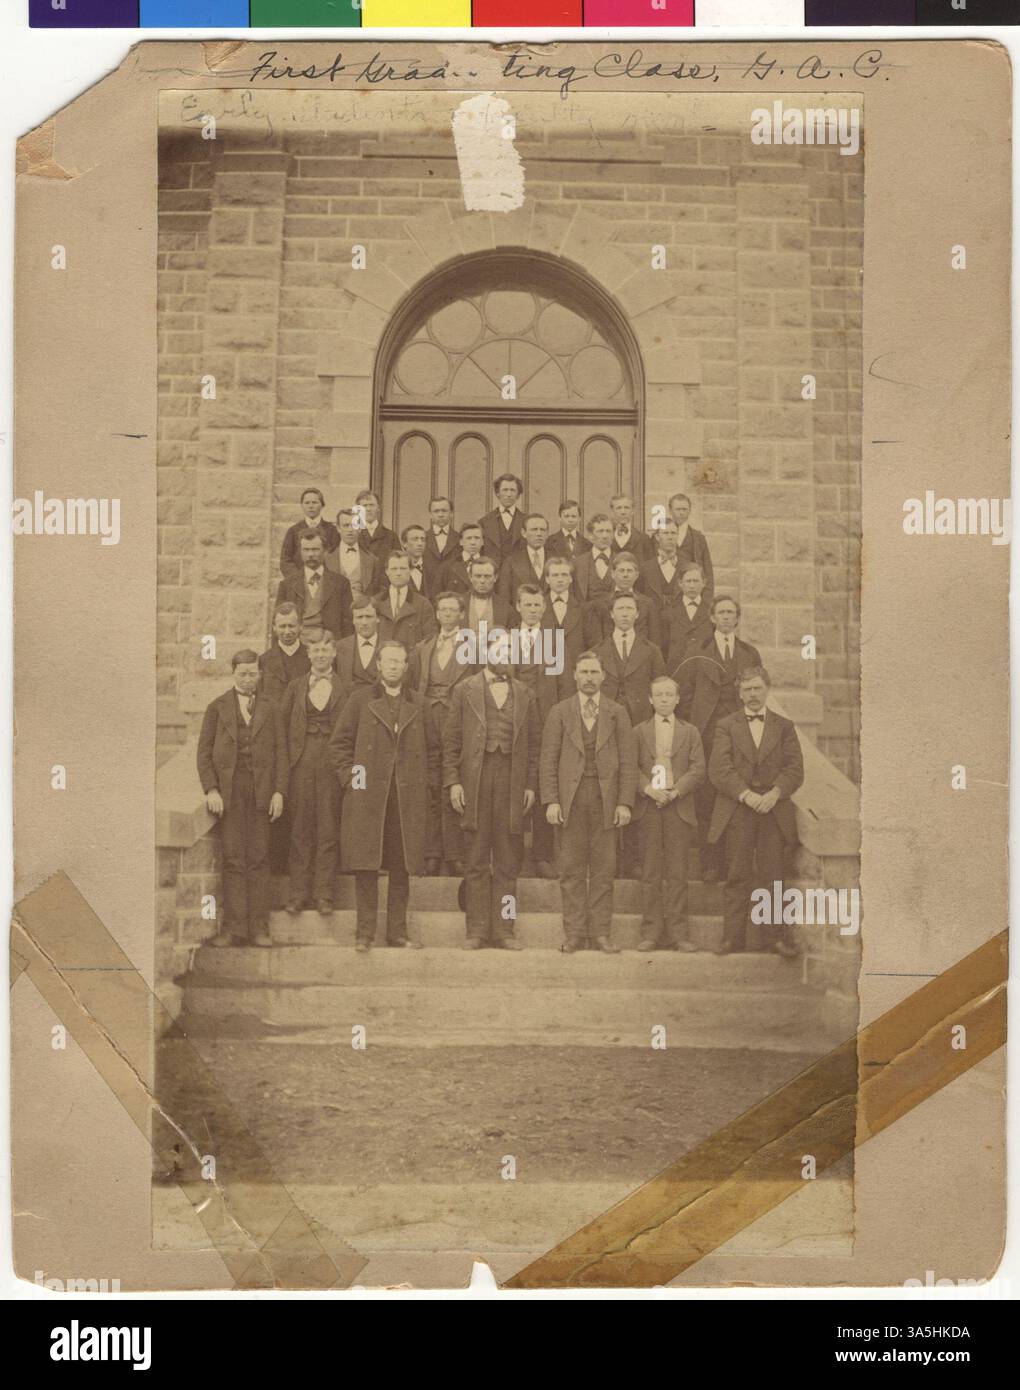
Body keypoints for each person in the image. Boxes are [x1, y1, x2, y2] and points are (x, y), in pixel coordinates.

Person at [329, 640, 439, 951]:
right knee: (366, 866)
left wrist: (424, 786)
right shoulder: (360, 700)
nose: (393, 667)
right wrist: (355, 782)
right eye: (388, 661)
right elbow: (339, 745)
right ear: (378, 665)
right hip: (369, 798)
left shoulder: (420, 704)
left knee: (401, 866)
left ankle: (397, 933)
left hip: (405, 800)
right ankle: (364, 934)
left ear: (406, 667)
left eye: (399, 662)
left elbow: (434, 753)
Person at [443, 630, 540, 950]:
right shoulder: (464, 690)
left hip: (511, 780)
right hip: (476, 778)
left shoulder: (525, 692)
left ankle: (505, 930)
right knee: (475, 858)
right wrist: (454, 781)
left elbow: (535, 745)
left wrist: (529, 784)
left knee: (508, 860)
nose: (505, 657)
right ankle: (476, 930)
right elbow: (451, 742)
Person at [540, 652, 637, 953]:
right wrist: (551, 801)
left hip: (605, 800)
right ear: (575, 675)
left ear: (604, 676)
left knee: (604, 868)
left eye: (595, 672)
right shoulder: (560, 712)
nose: (590, 678)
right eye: (584, 672)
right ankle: (574, 933)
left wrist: (624, 802)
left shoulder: (617, 712)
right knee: (570, 868)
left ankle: (600, 933)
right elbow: (548, 760)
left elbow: (629, 761)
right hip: (571, 799)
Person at [708, 666, 803, 958]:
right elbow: (719, 769)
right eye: (747, 689)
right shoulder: (726, 725)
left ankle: (775, 938)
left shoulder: (784, 726)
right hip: (739, 808)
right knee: (737, 873)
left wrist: (775, 793)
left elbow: (795, 769)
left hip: (773, 811)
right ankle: (731, 938)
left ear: (767, 690)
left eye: (757, 688)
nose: (752, 694)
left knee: (773, 874)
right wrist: (747, 795)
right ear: (739, 693)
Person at [197, 650, 286, 948]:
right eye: (243, 673)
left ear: (260, 674)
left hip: (261, 792)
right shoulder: (217, 708)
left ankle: (260, 928)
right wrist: (211, 789)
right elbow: (204, 754)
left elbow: (282, 755)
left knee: (259, 858)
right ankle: (235, 929)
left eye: (253, 673)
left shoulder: (272, 709)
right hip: (230, 793)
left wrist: (279, 792)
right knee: (234, 859)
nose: (248, 679)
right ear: (233, 674)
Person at [676, 595, 762, 882]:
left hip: (739, 734)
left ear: (737, 618)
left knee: (734, 796)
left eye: (731, 612)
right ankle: (710, 864)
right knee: (707, 798)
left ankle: (732, 863)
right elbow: (685, 694)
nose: (726, 617)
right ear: (712, 618)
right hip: (708, 733)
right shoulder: (697, 650)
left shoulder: (749, 653)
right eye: (721, 612)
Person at [631, 676, 705, 953]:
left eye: (668, 695)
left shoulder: (691, 732)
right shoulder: (638, 731)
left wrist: (675, 792)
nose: (663, 699)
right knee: (650, 871)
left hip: (678, 808)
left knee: (678, 872)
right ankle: (650, 931)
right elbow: (631, 767)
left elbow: (698, 769)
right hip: (649, 807)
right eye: (658, 695)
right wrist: (650, 790)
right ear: (650, 700)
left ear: (677, 699)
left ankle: (678, 933)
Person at [279, 630, 349, 916]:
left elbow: (351, 731)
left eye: (325, 650)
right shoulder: (295, 688)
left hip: (331, 763)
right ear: (308, 654)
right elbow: (282, 730)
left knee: (328, 828)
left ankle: (324, 894)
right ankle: (298, 893)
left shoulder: (347, 688)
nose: (320, 655)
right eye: (315, 650)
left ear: (334, 653)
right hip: (302, 760)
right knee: (300, 828)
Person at [409, 591, 472, 875]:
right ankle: (432, 851)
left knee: (455, 781)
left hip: (458, 716)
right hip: (428, 717)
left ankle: (454, 852)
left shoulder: (474, 646)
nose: (447, 615)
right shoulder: (424, 648)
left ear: (461, 614)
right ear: (436, 614)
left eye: (453, 610)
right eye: (442, 610)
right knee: (431, 782)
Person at [509, 583, 560, 877]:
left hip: (545, 719)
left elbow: (562, 683)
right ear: (518, 607)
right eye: (527, 604)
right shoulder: (506, 640)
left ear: (544, 608)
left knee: (543, 781)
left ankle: (542, 853)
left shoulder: (555, 641)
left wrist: (556, 717)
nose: (532, 610)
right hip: (514, 719)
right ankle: (513, 853)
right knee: (514, 781)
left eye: (537, 605)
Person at [593, 594, 666, 726]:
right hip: (607, 717)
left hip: (641, 717)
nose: (625, 614)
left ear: (637, 613)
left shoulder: (652, 650)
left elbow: (659, 687)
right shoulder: (597, 651)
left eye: (629, 608)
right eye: (620, 608)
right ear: (611, 613)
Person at [275, 529, 353, 640]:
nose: (310, 554)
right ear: (300, 552)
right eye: (306, 550)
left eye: (315, 549)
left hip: (328, 646)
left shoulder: (341, 583)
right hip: (297, 646)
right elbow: (278, 622)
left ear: (325, 551)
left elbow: (348, 624)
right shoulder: (287, 585)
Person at [584, 551, 662, 651]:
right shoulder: (600, 603)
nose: (625, 575)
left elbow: (654, 640)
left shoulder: (647, 603)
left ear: (637, 575)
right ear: (612, 574)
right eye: (621, 571)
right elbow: (596, 643)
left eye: (629, 571)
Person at [372, 550, 437, 648]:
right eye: (394, 569)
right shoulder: (375, 602)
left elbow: (430, 639)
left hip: (410, 661)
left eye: (403, 568)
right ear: (387, 571)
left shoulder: (423, 604)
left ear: (410, 570)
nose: (398, 573)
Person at [543, 557, 586, 700]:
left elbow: (591, 644)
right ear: (547, 579)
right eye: (555, 575)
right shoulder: (537, 606)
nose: (560, 579)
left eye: (564, 575)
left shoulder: (583, 608)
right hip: (545, 673)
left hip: (573, 674)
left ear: (571, 579)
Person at [258, 602, 309, 707]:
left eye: (291, 626)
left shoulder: (311, 658)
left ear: (301, 626)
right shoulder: (263, 660)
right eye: (282, 626)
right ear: (274, 627)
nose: (287, 631)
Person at [668, 492, 715, 606]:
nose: (681, 513)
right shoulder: (658, 536)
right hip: (667, 593)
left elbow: (707, 571)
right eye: (678, 509)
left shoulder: (698, 538)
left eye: (684, 509)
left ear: (689, 510)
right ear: (670, 511)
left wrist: (706, 600)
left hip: (691, 592)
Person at [663, 563, 713, 670]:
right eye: (688, 581)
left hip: (704, 669)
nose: (692, 586)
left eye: (696, 581)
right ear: (680, 583)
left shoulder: (711, 611)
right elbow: (663, 646)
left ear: (704, 583)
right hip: (676, 669)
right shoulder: (668, 611)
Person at [279, 488, 339, 576]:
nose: (311, 506)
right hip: (301, 582)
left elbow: (336, 557)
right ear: (302, 505)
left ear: (322, 505)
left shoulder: (332, 530)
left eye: (314, 502)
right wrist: (300, 579)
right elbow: (285, 561)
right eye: (307, 503)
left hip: (326, 580)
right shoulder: (293, 531)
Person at [496, 512, 549, 608]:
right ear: (523, 533)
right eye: (534, 529)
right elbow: (504, 598)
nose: (539, 534)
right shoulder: (510, 562)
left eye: (542, 530)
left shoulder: (557, 560)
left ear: (547, 533)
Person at [638, 516, 685, 619]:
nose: (670, 537)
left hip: (679, 624)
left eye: (673, 533)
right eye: (665, 533)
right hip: (653, 623)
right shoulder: (645, 568)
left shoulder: (686, 567)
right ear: (657, 537)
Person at [327, 508, 380, 597]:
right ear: (338, 528)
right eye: (346, 525)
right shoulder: (327, 557)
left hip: (362, 609)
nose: (350, 530)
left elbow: (380, 589)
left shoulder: (372, 559)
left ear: (360, 529)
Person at [335, 594, 382, 688]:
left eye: (369, 616)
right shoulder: (340, 647)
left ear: (377, 618)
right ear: (353, 620)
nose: (364, 622)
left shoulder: (389, 647)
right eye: (359, 617)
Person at [460, 555, 515, 635]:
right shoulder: (458, 603)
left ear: (495, 577)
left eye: (487, 576)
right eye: (478, 576)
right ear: (470, 577)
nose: (482, 581)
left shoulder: (506, 608)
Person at [479, 472, 526, 562]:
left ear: (518, 495)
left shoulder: (526, 521)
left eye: (512, 490)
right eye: (505, 490)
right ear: (497, 493)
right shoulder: (484, 522)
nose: (509, 494)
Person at [571, 514, 616, 604]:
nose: (605, 536)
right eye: (600, 531)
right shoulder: (577, 563)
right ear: (590, 536)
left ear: (613, 535)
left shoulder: (622, 561)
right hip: (586, 616)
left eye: (608, 531)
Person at [438, 521, 487, 597]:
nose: (473, 542)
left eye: (477, 538)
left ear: (483, 541)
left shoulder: (490, 566)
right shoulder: (447, 567)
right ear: (461, 541)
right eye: (469, 538)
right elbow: (437, 596)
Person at [353, 488, 401, 562]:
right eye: (364, 506)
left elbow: (398, 563)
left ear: (378, 508)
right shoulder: (354, 535)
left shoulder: (391, 536)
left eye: (372, 505)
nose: (368, 509)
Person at [400, 523, 441, 601]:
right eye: (415, 539)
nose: (420, 543)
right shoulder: (396, 567)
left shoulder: (434, 569)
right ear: (404, 543)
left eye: (423, 539)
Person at [609, 493, 654, 563]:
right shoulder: (605, 537)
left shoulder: (644, 539)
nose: (623, 512)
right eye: (619, 508)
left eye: (626, 508)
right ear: (612, 511)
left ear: (633, 511)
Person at [425, 496, 459, 565]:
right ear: (430, 515)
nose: (440, 515)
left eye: (444, 511)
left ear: (451, 514)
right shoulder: (422, 537)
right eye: (436, 511)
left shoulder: (460, 538)